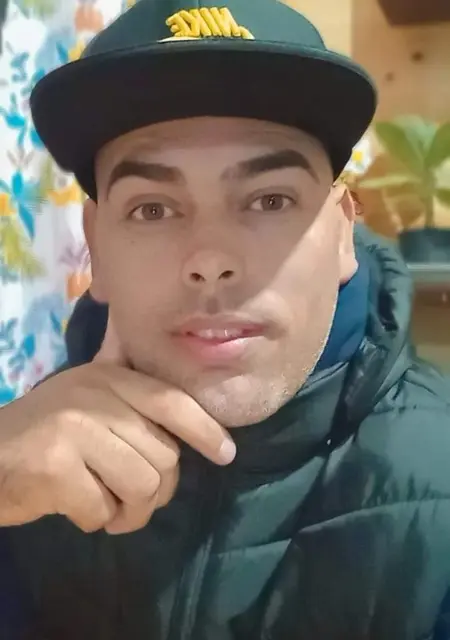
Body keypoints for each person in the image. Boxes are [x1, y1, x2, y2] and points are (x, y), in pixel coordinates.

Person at [0, 0, 450, 638]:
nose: (210, 260)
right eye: (153, 209)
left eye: (270, 199)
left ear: (343, 233)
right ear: (94, 245)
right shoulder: (29, 465)